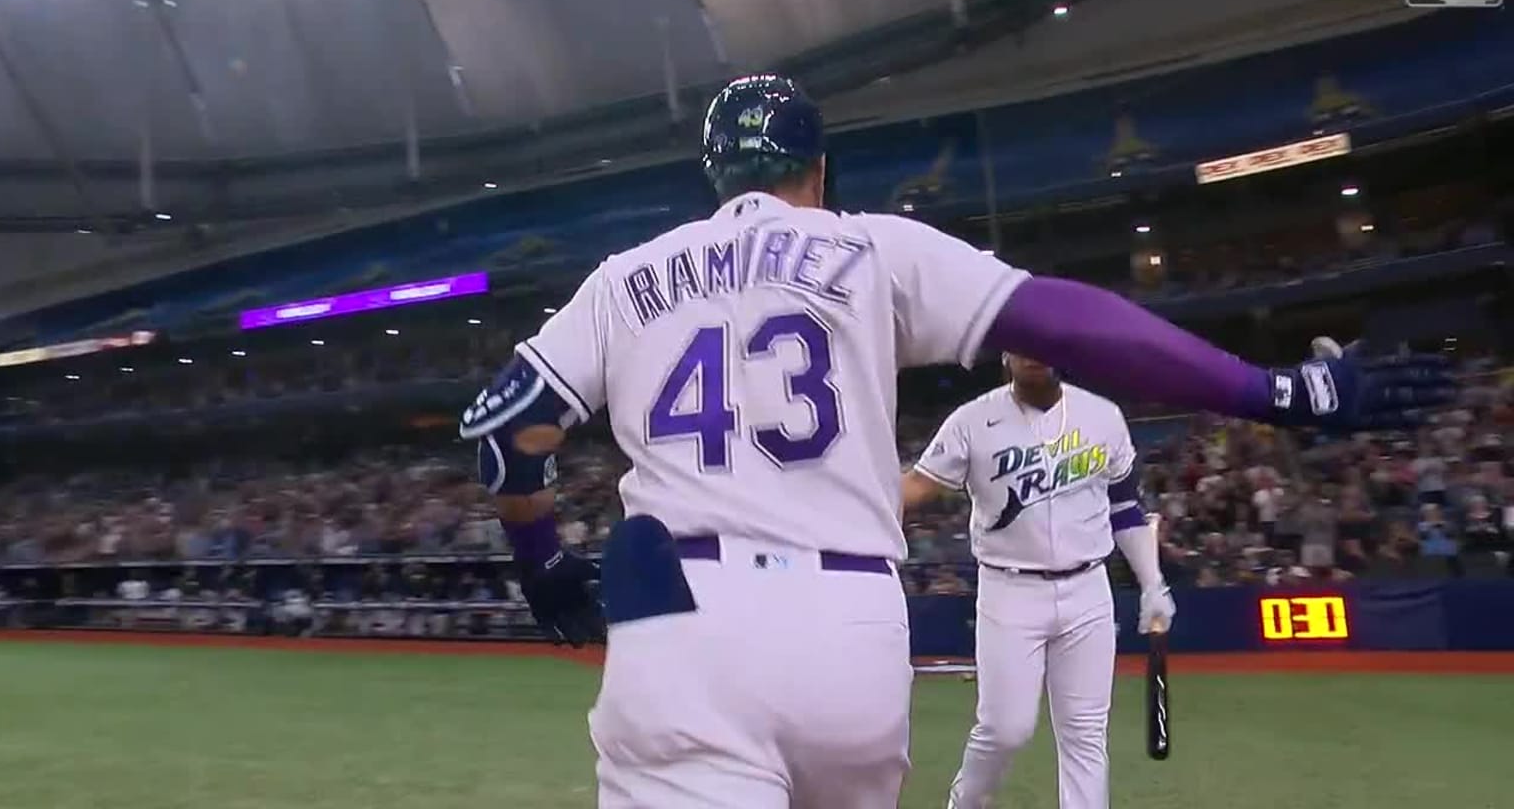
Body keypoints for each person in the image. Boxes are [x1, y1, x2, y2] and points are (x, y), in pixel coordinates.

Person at [456, 73, 1451, 807]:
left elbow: (504, 434)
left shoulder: (626, 279)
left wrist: (545, 565)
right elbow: (1067, 321)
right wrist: (1274, 388)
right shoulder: (870, 246)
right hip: (850, 627)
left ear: (712, 173)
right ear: (820, 166)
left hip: (681, 620)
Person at [902, 352, 1172, 809]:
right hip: (1009, 589)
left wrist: (1152, 583)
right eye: (1020, 345)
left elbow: (1125, 507)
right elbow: (917, 487)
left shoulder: (1101, 416)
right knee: (1005, 728)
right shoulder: (972, 420)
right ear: (1005, 356)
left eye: (1042, 343)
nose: (1033, 355)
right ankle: (965, 802)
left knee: (1086, 734)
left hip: (1088, 586)